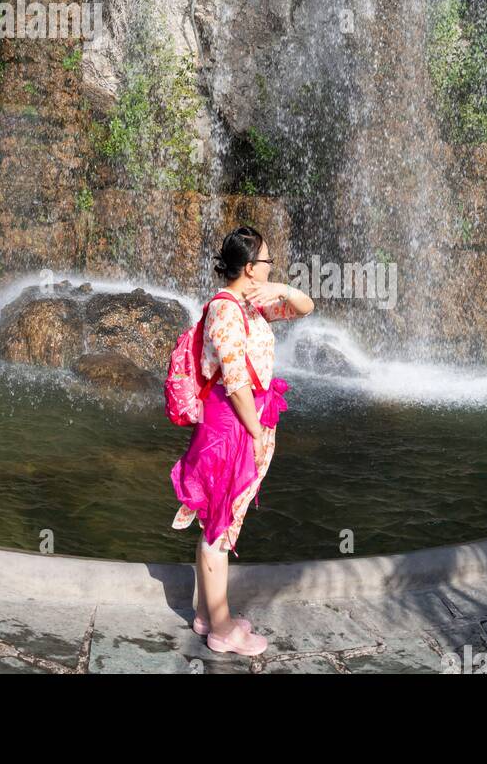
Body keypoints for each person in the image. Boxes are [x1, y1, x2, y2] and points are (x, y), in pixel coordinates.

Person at [170, 227, 314, 656]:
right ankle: (221, 629)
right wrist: (254, 437)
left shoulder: (250, 306)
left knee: (220, 522)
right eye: (268, 261)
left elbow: (305, 307)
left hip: (242, 422)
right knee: (218, 526)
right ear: (250, 267)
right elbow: (235, 384)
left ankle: (205, 614)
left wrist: (277, 287)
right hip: (230, 428)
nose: (273, 266)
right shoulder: (226, 312)